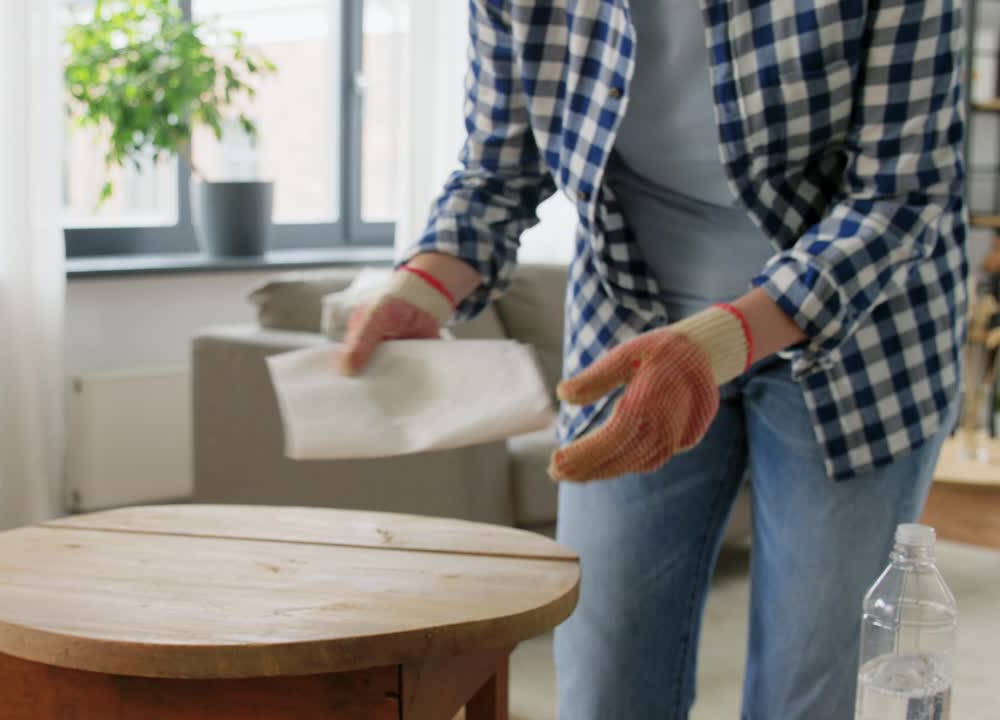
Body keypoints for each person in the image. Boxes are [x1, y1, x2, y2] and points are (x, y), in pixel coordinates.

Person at [338, 1, 968, 718]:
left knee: (813, 693)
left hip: (861, 341)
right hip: (634, 328)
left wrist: (722, 340)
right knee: (604, 683)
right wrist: (423, 287)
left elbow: (902, 192)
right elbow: (496, 169)